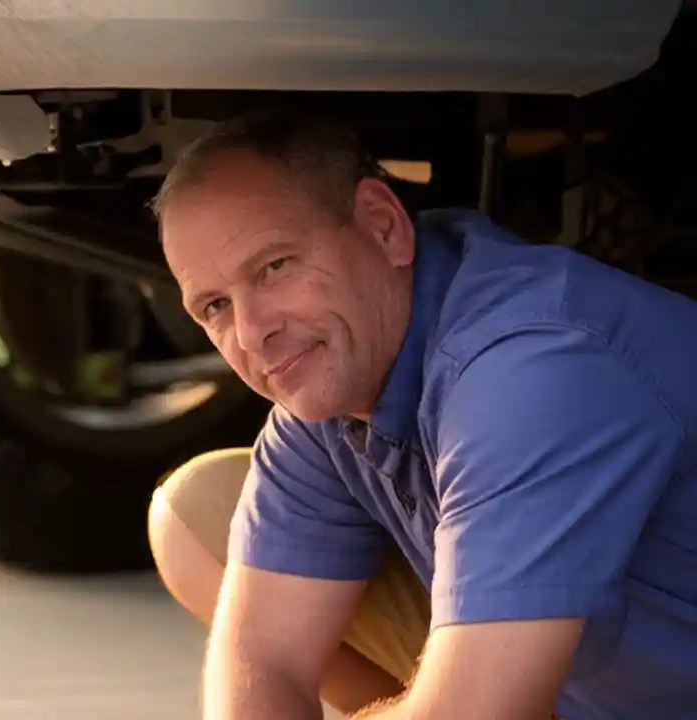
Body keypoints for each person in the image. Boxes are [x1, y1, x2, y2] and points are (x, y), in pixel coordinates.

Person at [147, 107, 697, 719]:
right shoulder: (331, 383)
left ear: (383, 226)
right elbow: (263, 662)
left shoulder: (532, 369)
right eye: (215, 306)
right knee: (196, 515)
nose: (252, 334)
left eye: (275, 267)